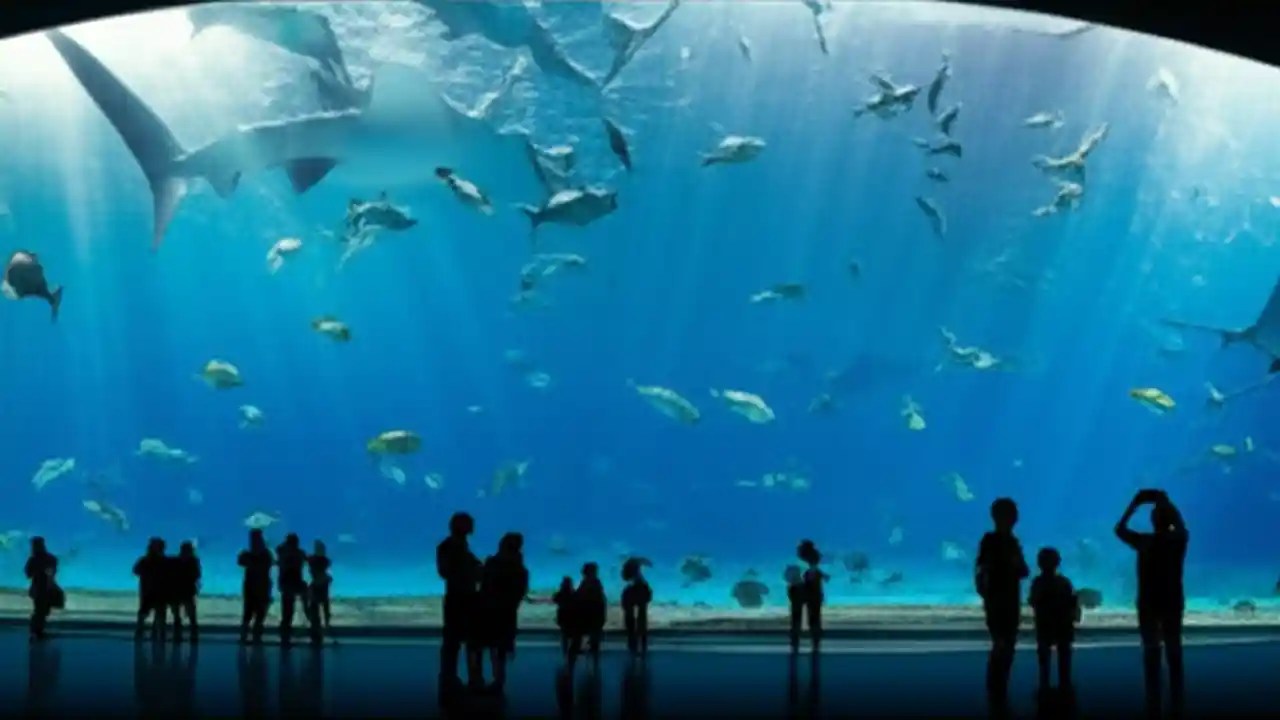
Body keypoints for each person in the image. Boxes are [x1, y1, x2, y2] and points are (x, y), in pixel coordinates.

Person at [1115, 489, 1189, 709]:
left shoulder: (1144, 542)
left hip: (1148, 601)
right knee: (1174, 647)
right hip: (1172, 599)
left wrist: (1133, 504)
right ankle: (1177, 695)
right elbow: (1182, 527)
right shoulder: (1178, 542)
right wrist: (1166, 503)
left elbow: (1119, 529)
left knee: (1150, 648)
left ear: (1152, 520)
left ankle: (1153, 694)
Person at [975, 497, 1030, 704]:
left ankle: (998, 687)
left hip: (1005, 599)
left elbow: (981, 570)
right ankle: (996, 689)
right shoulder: (996, 541)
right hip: (1001, 599)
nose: (1016, 516)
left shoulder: (1008, 541)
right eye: (1013, 513)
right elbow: (1021, 570)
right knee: (1002, 642)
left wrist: (984, 591)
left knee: (1006, 642)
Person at [436, 511, 483, 689]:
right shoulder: (450, 546)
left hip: (463, 597)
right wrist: (470, 573)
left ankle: (452, 676)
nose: (472, 526)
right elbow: (445, 571)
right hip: (459, 598)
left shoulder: (458, 546)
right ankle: (455, 677)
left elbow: (474, 565)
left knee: (459, 640)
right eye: (469, 523)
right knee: (457, 641)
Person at [479, 532, 530, 693]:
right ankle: (498, 680)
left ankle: (488, 680)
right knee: (500, 647)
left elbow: (484, 585)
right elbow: (521, 591)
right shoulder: (520, 568)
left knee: (488, 646)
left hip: (491, 610)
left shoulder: (493, 563)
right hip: (507, 611)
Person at [1028, 547, 1078, 692]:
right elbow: (1072, 603)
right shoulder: (1064, 581)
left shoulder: (1037, 582)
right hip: (1063, 624)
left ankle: (1046, 686)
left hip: (1044, 624)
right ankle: (1065, 685)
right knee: (1064, 657)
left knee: (1045, 659)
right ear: (1058, 562)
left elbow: (1033, 601)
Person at [238, 529, 274, 644]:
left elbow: (242, 561)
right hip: (254, 588)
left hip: (260, 587)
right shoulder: (263, 554)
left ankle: (253, 636)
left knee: (257, 614)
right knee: (249, 614)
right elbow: (241, 561)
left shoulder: (263, 555)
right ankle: (250, 636)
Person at [276, 533, 311, 647]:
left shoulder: (283, 552)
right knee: (288, 612)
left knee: (287, 612)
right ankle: (285, 637)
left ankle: (285, 638)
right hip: (291, 584)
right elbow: (308, 559)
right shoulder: (299, 553)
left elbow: (279, 549)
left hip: (288, 584)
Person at [795, 541, 828, 653]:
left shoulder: (810, 572)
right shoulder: (813, 572)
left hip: (812, 596)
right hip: (814, 596)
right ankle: (815, 642)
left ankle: (815, 642)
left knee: (813, 619)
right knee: (814, 619)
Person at [25, 537, 60, 641]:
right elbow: (52, 573)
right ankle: (37, 632)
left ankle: (36, 632)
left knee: (40, 610)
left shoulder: (33, 559)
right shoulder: (51, 558)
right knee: (42, 611)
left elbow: (28, 574)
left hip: (38, 588)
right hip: (47, 588)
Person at [133, 537, 169, 641]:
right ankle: (159, 636)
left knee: (143, 615)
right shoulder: (165, 561)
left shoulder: (144, 560)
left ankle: (140, 635)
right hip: (160, 592)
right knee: (160, 616)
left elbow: (136, 571)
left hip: (147, 591)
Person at [575, 562, 607, 665]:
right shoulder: (594, 583)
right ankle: (594, 656)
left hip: (591, 612)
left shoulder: (587, 583)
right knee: (594, 635)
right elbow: (601, 599)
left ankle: (591, 653)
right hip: (592, 613)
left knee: (590, 634)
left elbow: (580, 597)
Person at [170, 541, 202, 643]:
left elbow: (197, 574)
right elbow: (197, 575)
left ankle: (183, 636)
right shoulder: (193, 561)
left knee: (187, 616)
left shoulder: (176, 561)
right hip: (183, 591)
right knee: (185, 616)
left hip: (182, 591)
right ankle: (188, 636)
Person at [620, 558, 652, 657]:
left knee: (633, 622)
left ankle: (635, 647)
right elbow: (647, 598)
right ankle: (640, 647)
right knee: (639, 621)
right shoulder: (640, 586)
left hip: (637, 593)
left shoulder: (630, 589)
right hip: (639, 592)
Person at [308, 540, 334, 641]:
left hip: (320, 587)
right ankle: (320, 628)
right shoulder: (325, 560)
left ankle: (320, 628)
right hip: (320, 587)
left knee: (321, 607)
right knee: (320, 608)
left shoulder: (312, 560)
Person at [552, 576, 577, 660]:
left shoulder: (561, 593)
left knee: (564, 636)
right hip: (572, 616)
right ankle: (571, 653)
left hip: (563, 616)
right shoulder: (573, 592)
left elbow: (554, 599)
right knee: (572, 636)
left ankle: (566, 653)